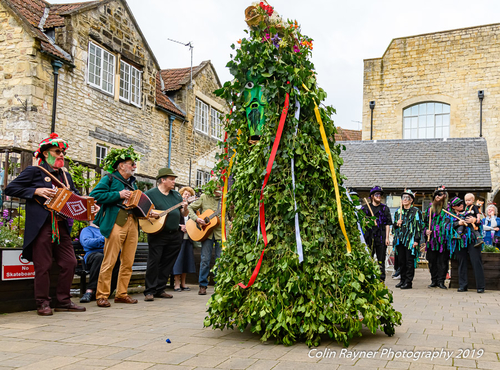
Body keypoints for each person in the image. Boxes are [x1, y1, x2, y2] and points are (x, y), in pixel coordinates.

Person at [4, 133, 87, 316]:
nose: (61, 155)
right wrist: (36, 190)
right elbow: (10, 188)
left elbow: (73, 196)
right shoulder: (35, 172)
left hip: (62, 225)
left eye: (62, 152)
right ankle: (42, 303)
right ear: (45, 154)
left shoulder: (65, 176)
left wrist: (86, 203)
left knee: (70, 262)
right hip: (42, 226)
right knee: (43, 266)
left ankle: (63, 301)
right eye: (57, 151)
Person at [90, 146, 141, 307]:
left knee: (128, 261)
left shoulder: (132, 183)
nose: (134, 166)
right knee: (109, 260)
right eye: (131, 164)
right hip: (115, 222)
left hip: (132, 222)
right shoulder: (110, 178)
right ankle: (102, 295)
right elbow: (94, 196)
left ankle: (122, 293)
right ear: (121, 165)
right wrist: (118, 195)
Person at [143, 168, 188, 301]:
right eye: (171, 179)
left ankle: (160, 289)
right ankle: (149, 291)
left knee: (168, 262)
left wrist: (185, 207)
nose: (174, 182)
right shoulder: (150, 194)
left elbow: (183, 214)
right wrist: (150, 214)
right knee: (154, 261)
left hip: (174, 234)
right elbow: (141, 211)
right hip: (157, 233)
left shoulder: (176, 195)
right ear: (163, 180)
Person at [188, 180, 223, 295]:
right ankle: (202, 285)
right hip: (206, 233)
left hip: (220, 232)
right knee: (205, 260)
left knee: (220, 260)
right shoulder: (204, 197)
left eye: (221, 186)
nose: (220, 189)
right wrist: (197, 219)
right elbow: (190, 208)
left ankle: (219, 285)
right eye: (218, 186)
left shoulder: (226, 199)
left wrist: (231, 208)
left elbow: (232, 215)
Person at [449, 197, 485, 293]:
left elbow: (480, 222)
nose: (461, 205)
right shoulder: (450, 215)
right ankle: (462, 285)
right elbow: (446, 227)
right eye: (458, 204)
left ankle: (480, 286)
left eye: (461, 203)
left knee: (476, 261)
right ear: (453, 207)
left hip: (473, 240)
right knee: (462, 262)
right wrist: (458, 223)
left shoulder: (470, 211)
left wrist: (475, 220)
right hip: (459, 241)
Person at [79, 222, 120, 303]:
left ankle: (107, 290)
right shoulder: (87, 230)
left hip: (108, 255)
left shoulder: (108, 230)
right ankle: (90, 291)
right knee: (99, 257)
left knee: (118, 259)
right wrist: (104, 239)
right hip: (92, 256)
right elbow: (86, 243)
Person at [392, 189, 423, 289]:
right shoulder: (398, 212)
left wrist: (416, 240)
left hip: (410, 240)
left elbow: (419, 227)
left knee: (409, 261)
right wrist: (397, 224)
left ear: (411, 200)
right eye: (403, 198)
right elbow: (394, 227)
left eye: (407, 198)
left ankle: (408, 282)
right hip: (400, 240)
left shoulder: (416, 212)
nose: (405, 199)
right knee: (401, 261)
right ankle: (402, 280)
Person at [423, 186, 453, 289]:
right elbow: (424, 223)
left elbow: (451, 223)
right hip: (431, 240)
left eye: (440, 194)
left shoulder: (449, 210)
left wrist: (443, 230)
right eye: (436, 195)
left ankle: (441, 281)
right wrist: (426, 230)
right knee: (432, 261)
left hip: (443, 241)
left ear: (445, 196)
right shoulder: (430, 209)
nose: (437, 197)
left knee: (442, 262)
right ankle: (434, 280)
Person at [361, 186, 393, 281]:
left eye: (380, 195)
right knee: (368, 259)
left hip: (381, 237)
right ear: (372, 196)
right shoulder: (365, 208)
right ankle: (369, 279)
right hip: (369, 237)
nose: (379, 196)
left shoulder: (385, 209)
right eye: (377, 194)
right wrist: (367, 222)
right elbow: (361, 223)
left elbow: (388, 224)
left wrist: (387, 238)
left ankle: (381, 280)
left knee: (381, 260)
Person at [173, 186, 197, 292]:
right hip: (179, 237)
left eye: (189, 195)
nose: (187, 196)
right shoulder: (177, 206)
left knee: (186, 260)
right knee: (178, 260)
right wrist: (180, 226)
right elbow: (172, 220)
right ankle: (176, 284)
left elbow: (194, 221)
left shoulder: (192, 209)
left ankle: (183, 283)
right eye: (185, 194)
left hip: (189, 238)